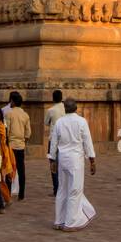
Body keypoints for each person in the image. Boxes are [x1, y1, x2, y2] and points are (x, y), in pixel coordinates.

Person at [48, 97, 96, 231]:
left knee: (62, 189)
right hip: (75, 159)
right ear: (76, 108)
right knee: (75, 190)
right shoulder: (81, 121)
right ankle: (71, 222)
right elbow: (87, 141)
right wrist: (92, 160)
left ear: (65, 108)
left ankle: (59, 220)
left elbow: (54, 142)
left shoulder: (59, 122)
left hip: (62, 159)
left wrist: (52, 159)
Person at [5, 92, 31, 201]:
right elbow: (28, 133)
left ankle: (8, 192)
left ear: (13, 101)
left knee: (9, 170)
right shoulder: (25, 115)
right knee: (21, 170)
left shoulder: (9, 114)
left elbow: (7, 130)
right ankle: (22, 194)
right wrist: (23, 141)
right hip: (21, 145)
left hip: (11, 145)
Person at [44, 90, 66, 197]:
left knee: (53, 164)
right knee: (64, 165)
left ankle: (56, 189)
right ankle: (64, 189)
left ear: (53, 99)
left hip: (53, 140)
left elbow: (46, 122)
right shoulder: (66, 108)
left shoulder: (51, 110)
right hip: (65, 140)